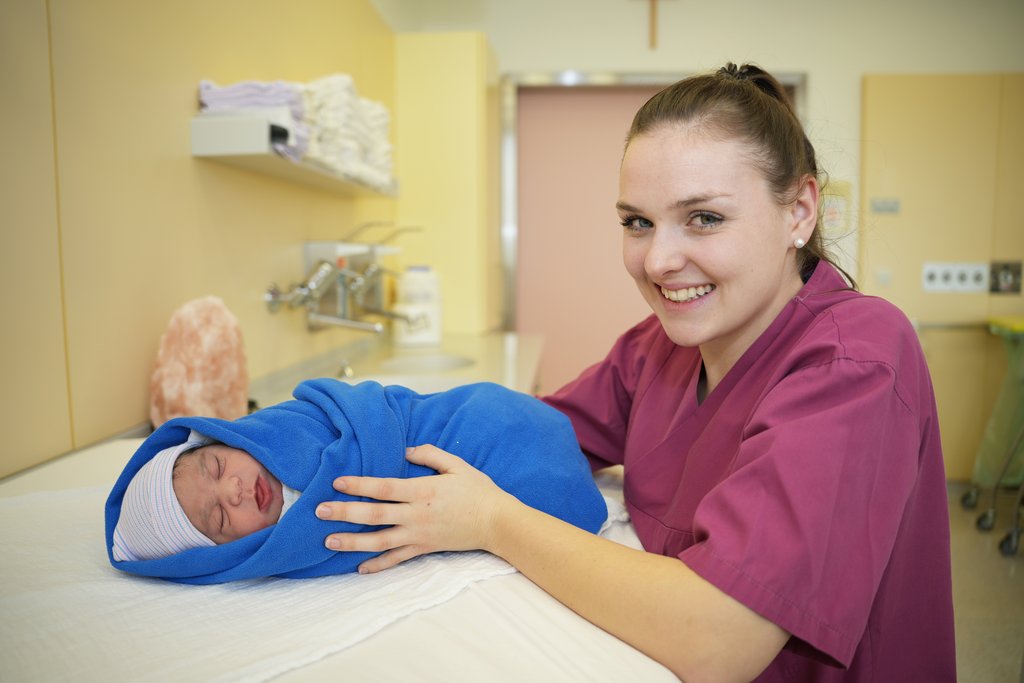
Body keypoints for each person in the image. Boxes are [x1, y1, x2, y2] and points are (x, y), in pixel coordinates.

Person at [312, 63, 957, 681]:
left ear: (800, 210)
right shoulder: (659, 349)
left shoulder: (859, 359)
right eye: (637, 223)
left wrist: (492, 522)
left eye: (704, 218)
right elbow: (521, 434)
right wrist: (307, 444)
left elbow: (716, 638)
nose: (658, 260)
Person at [104, 379, 607, 584]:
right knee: (555, 507)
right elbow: (349, 546)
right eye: (218, 516)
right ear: (225, 553)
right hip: (493, 467)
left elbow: (366, 407)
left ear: (224, 437)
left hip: (467, 420)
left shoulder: (290, 427)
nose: (233, 490)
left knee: (515, 435)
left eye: (216, 467)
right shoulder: (290, 547)